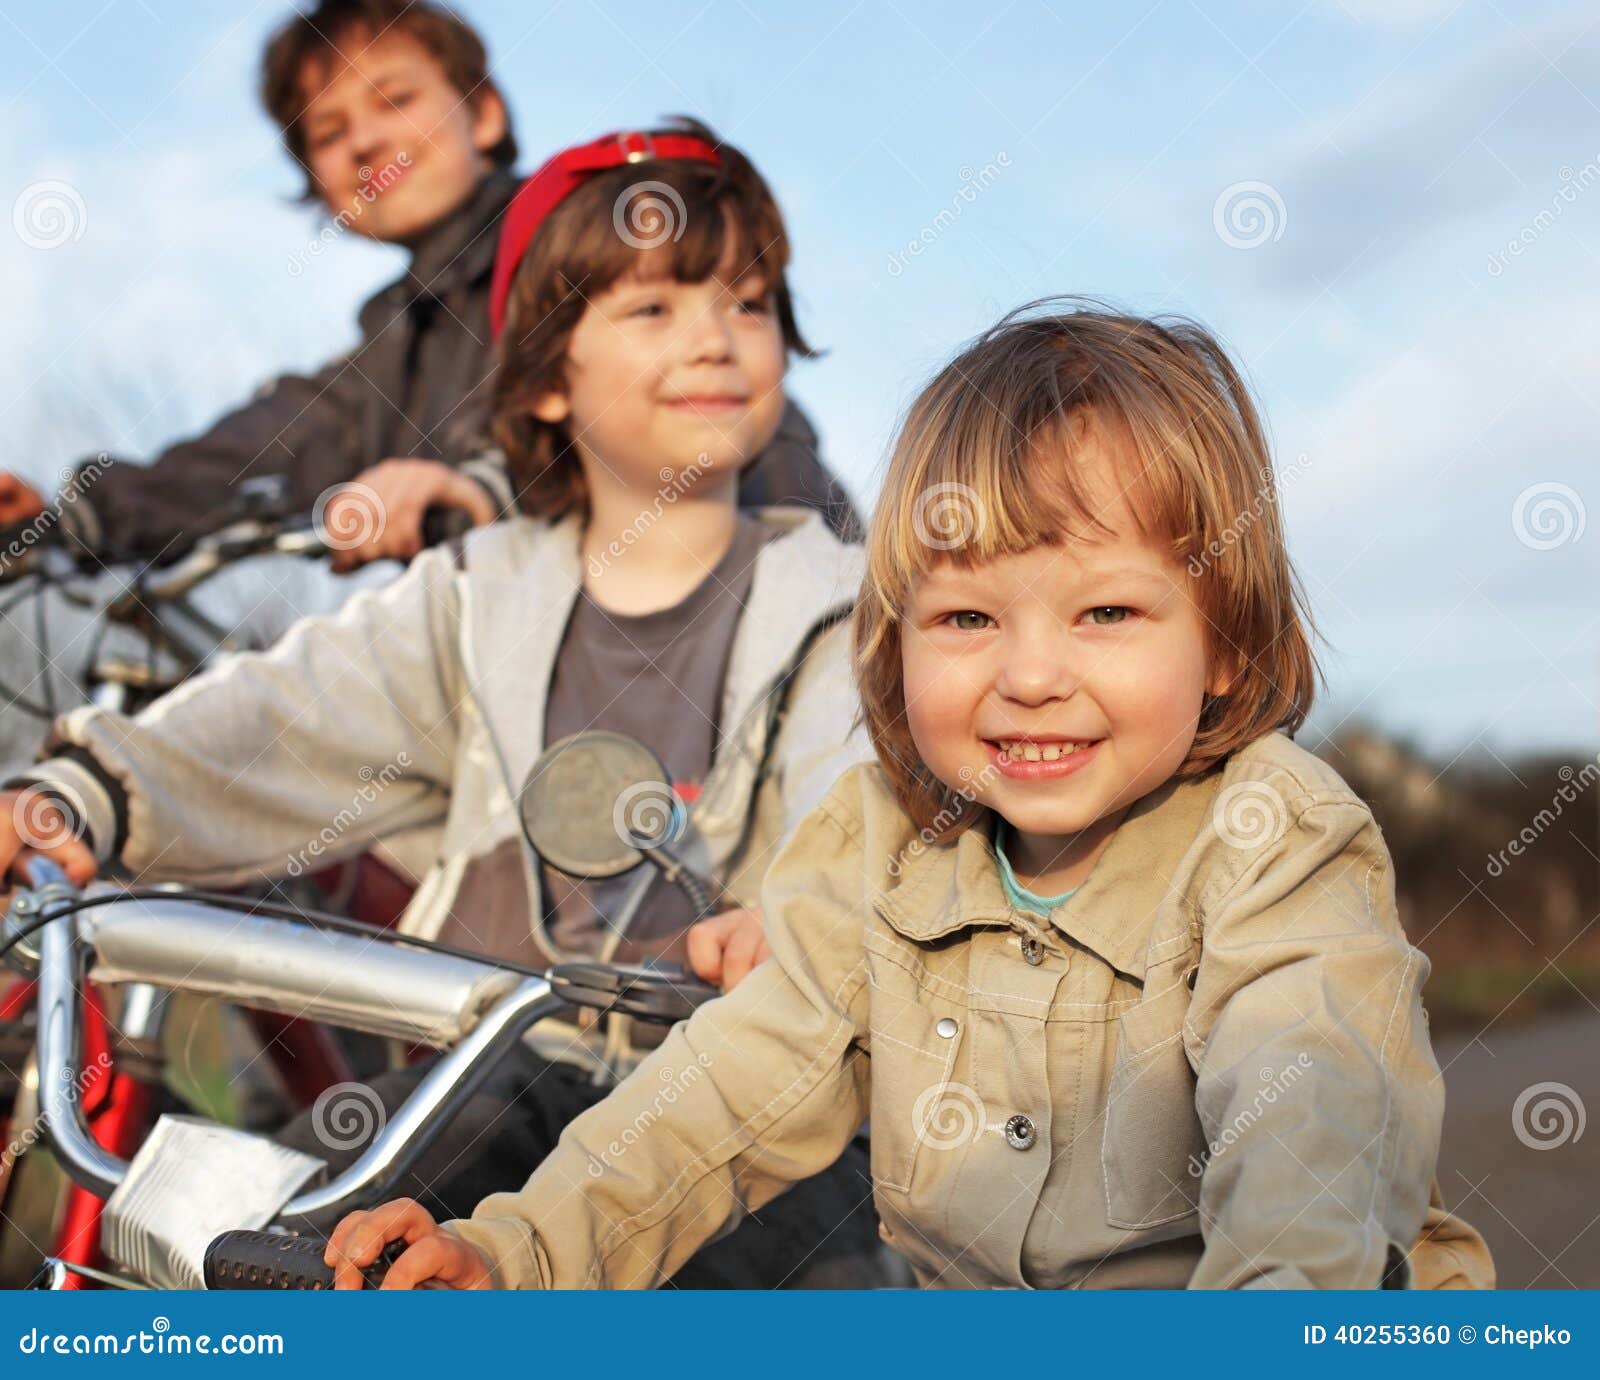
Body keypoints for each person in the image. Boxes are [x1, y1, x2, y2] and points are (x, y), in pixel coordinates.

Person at [323, 302, 1496, 1291]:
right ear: (895, 649)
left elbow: (1307, 1128)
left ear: (1226, 644)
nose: (1029, 677)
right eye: (968, 620)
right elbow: (721, 1095)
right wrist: (516, 1252)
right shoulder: (879, 843)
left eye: (1107, 613)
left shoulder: (1275, 843)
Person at [0, 119, 886, 1288]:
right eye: (652, 310)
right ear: (547, 380)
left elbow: (858, 781)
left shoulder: (846, 606)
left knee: (816, 1281)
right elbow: (290, 715)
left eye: (749, 302)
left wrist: (811, 907)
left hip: (739, 1112)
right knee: (264, 1250)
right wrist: (82, 796)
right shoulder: (475, 595)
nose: (715, 340)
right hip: (479, 1074)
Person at [0, 0, 859, 778]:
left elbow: (722, 416)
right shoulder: (393, 338)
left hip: (710, 677)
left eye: (396, 99)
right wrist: (75, 514)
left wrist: (477, 485)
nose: (365, 141)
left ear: (483, 113)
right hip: (508, 684)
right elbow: (266, 439)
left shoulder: (583, 245)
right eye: (328, 131)